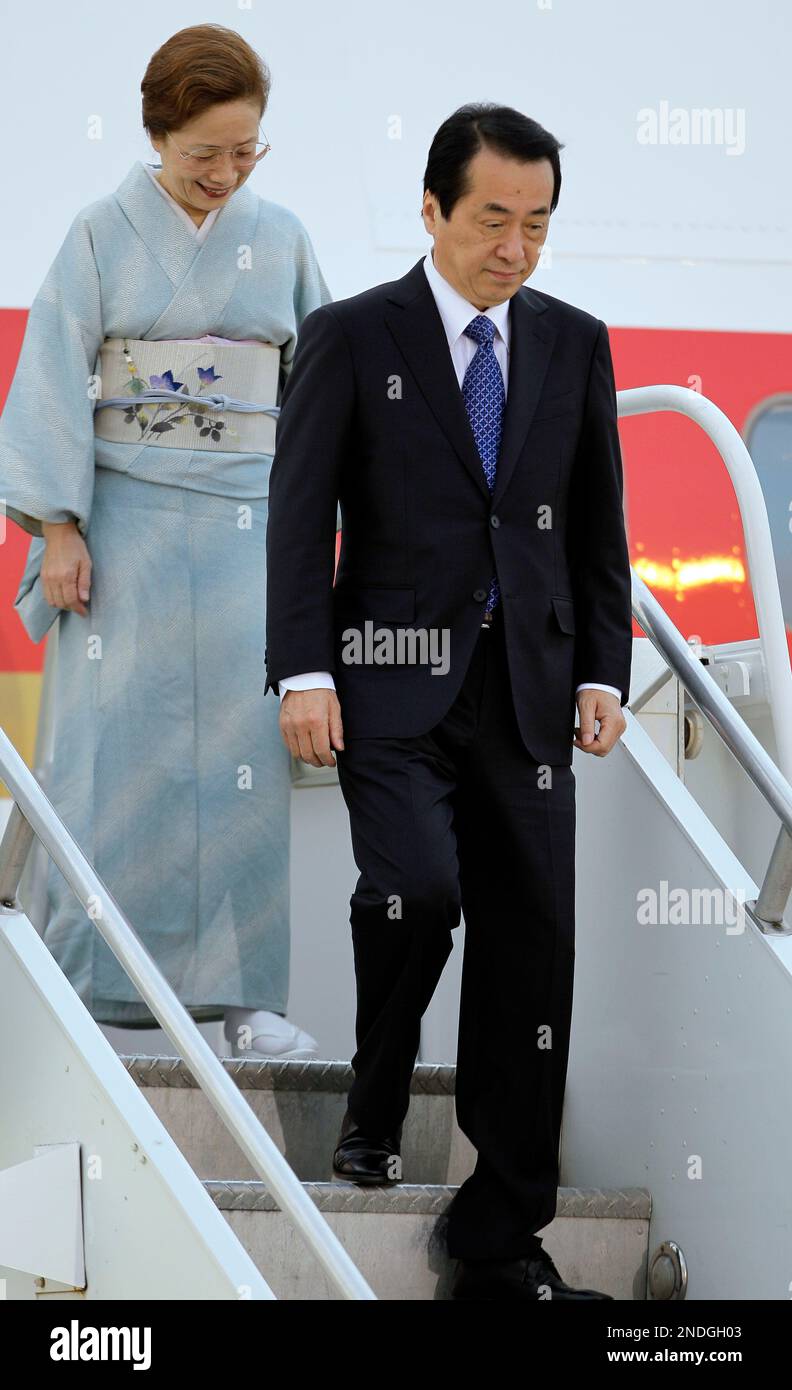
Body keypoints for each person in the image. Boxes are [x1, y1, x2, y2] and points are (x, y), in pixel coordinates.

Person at [265, 103, 633, 1298]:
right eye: (492, 220)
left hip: (529, 696)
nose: (515, 248)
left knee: (535, 954)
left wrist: (600, 670)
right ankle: (374, 1097)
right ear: (431, 209)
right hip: (386, 679)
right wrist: (307, 669)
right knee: (418, 890)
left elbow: (596, 530)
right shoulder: (348, 333)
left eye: (537, 225)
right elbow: (299, 514)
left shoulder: (575, 344)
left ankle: (499, 1235)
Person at [0, 24, 328, 1059]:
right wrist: (59, 524)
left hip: (247, 530)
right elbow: (53, 369)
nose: (225, 176)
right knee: (107, 749)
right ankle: (89, 980)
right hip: (125, 522)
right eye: (204, 156)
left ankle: (249, 996)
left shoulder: (280, 237)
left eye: (245, 153)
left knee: (245, 755)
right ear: (159, 138)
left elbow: (319, 396)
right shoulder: (101, 232)